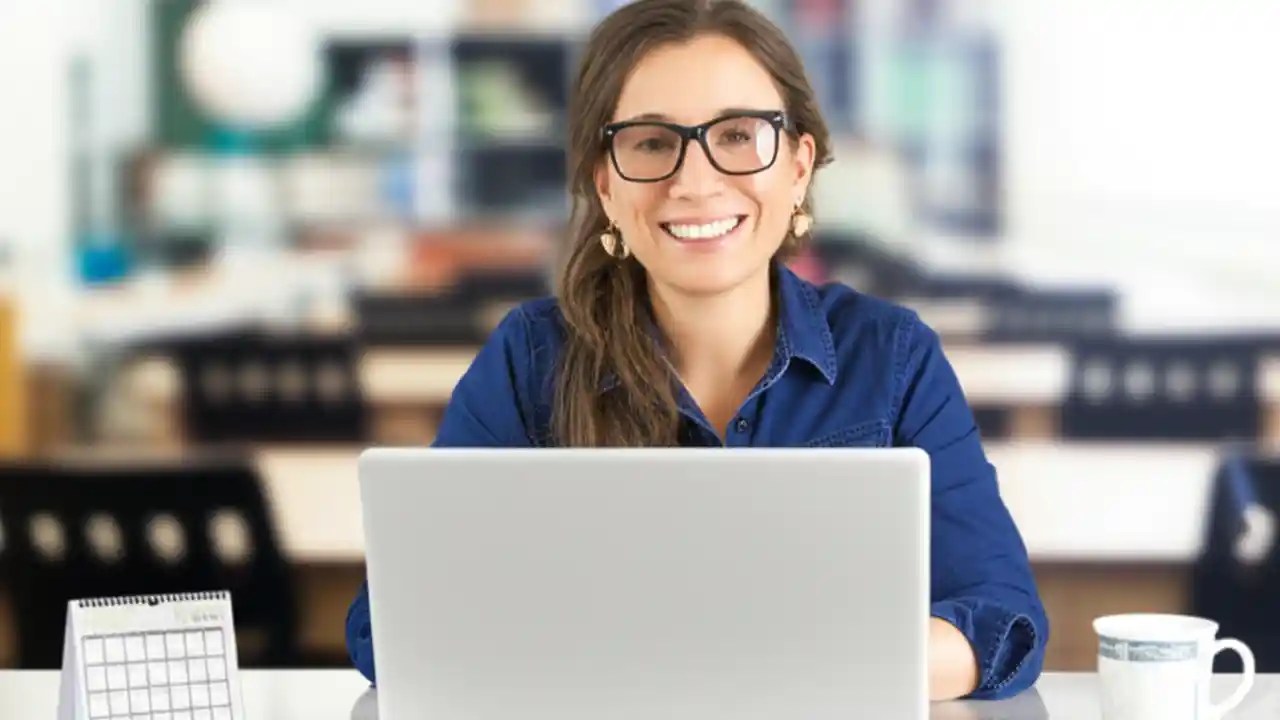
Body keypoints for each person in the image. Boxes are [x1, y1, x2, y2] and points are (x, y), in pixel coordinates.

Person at [346, 0, 1048, 702]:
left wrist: (741, 665)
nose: (696, 181)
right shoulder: (529, 359)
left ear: (799, 167)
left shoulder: (893, 358)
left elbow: (1002, 622)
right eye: (652, 143)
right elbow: (392, 627)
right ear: (604, 184)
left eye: (739, 135)